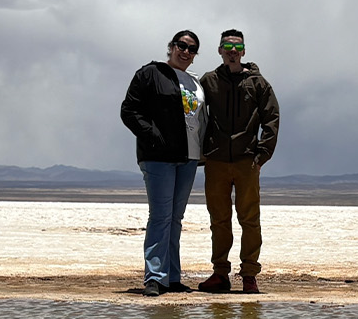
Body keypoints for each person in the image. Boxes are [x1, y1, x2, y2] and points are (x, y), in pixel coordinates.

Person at [119, 30, 207, 296]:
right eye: (181, 45)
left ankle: (172, 277)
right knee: (160, 216)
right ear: (171, 47)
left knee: (175, 219)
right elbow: (129, 110)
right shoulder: (150, 74)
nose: (186, 52)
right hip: (159, 157)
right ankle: (155, 277)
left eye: (192, 49)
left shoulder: (195, 82)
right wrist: (153, 136)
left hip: (189, 158)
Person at [196, 29, 279, 294]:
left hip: (246, 162)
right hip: (216, 161)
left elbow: (271, 119)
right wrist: (201, 150)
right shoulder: (208, 81)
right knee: (219, 219)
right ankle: (220, 273)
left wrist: (262, 154)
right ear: (220, 50)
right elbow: (194, 113)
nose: (232, 51)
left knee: (249, 219)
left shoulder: (258, 83)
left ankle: (249, 275)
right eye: (227, 46)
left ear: (243, 51)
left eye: (237, 46)